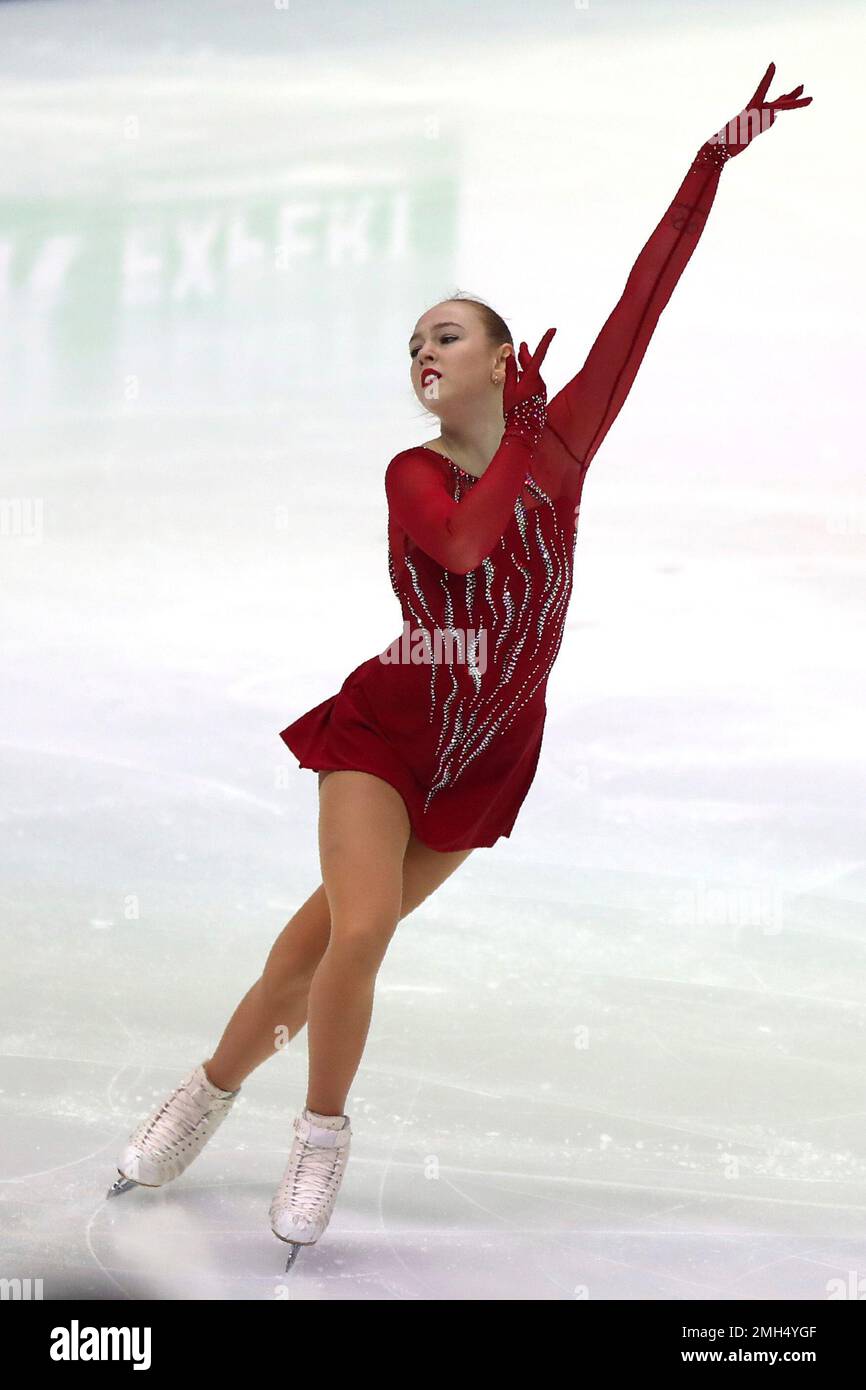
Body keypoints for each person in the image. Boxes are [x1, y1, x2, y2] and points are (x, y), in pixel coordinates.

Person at [107, 63, 811, 1267]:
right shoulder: (415, 471)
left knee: (312, 952)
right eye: (412, 343)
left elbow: (644, 300)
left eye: (446, 334)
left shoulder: (564, 438)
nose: (423, 351)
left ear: (495, 355)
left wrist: (710, 158)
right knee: (364, 927)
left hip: (488, 750)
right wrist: (526, 438)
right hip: (392, 725)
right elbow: (469, 541)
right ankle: (319, 1133)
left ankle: (210, 1085)